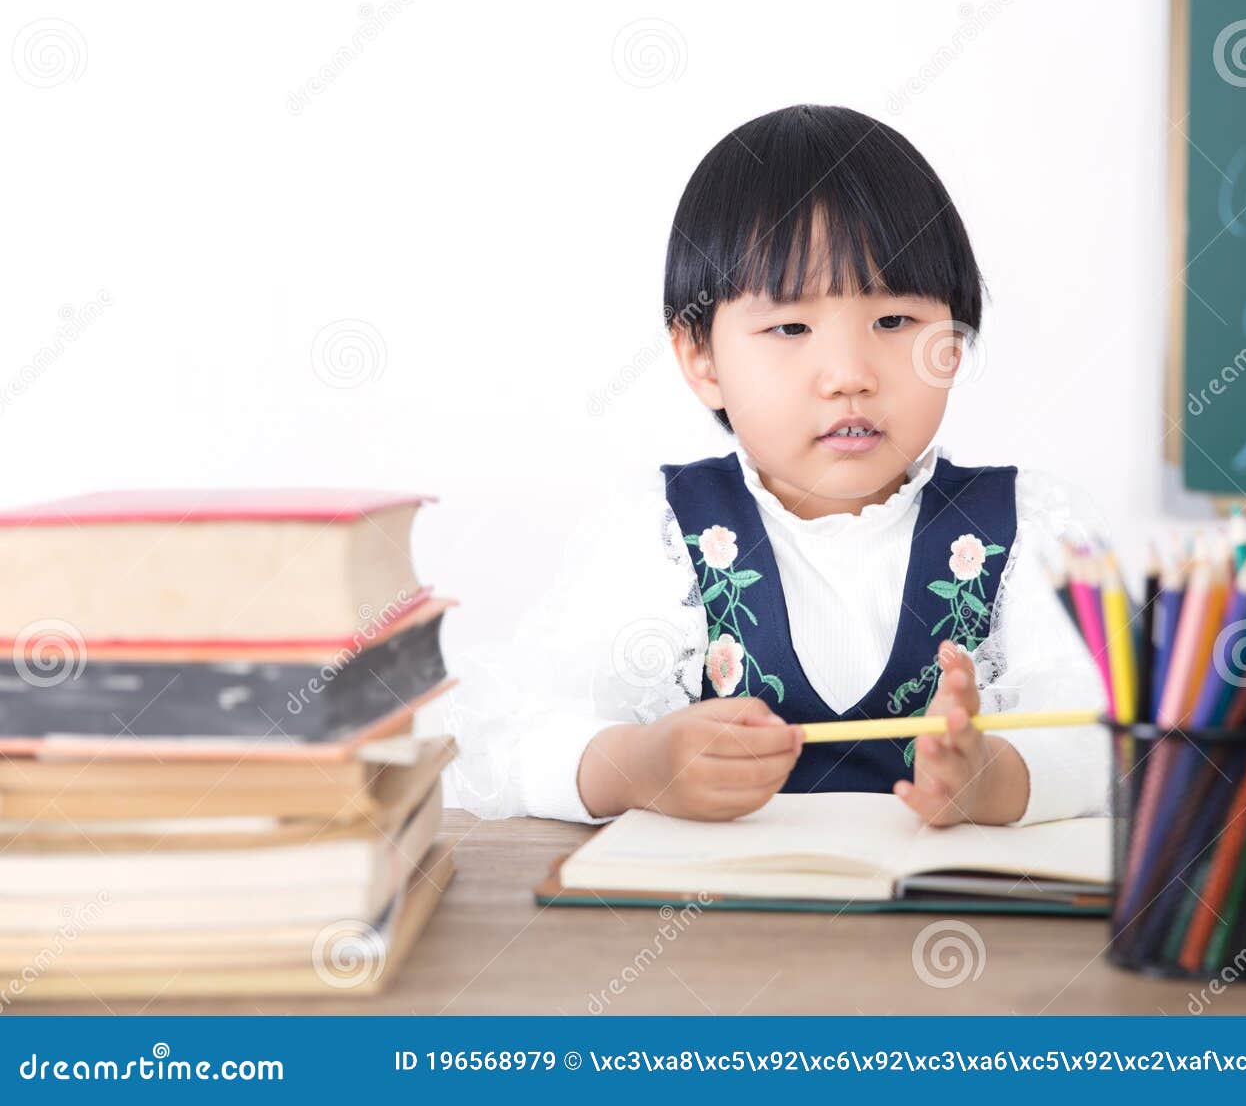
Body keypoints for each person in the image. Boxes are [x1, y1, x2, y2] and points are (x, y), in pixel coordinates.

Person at [454, 104, 1108, 829]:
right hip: (714, 939)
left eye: (894, 322)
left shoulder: (1030, 533)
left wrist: (995, 778)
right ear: (701, 359)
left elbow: (1110, 739)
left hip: (950, 933)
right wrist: (639, 766)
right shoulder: (660, 536)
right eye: (790, 328)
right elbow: (504, 740)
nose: (848, 374)